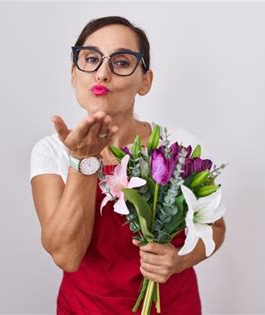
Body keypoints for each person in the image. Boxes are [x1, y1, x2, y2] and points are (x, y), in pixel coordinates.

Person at [30, 16, 226, 314]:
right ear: (73, 73)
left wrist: (180, 261)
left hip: (172, 306)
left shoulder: (178, 145)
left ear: (145, 81)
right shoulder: (51, 152)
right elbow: (67, 257)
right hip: (85, 308)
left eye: (121, 63)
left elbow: (215, 226)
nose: (102, 74)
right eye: (91, 59)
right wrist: (83, 160)